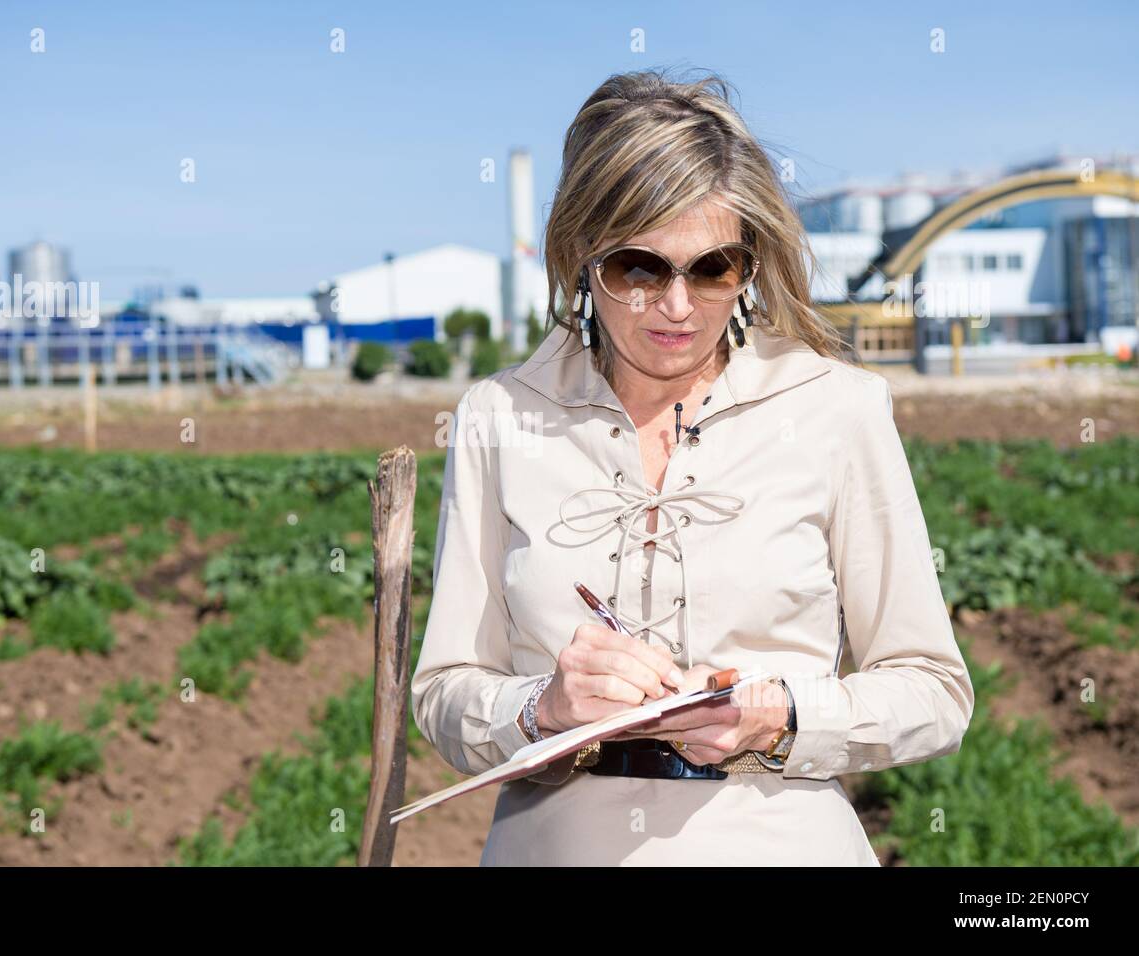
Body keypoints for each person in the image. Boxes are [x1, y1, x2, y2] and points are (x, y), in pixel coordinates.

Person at [410, 68, 975, 866]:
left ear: (750, 263)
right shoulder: (499, 418)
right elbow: (442, 694)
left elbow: (934, 692)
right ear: (580, 256)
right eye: (639, 269)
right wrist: (546, 707)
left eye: (713, 269)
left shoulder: (837, 408)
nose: (677, 306)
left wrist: (779, 714)